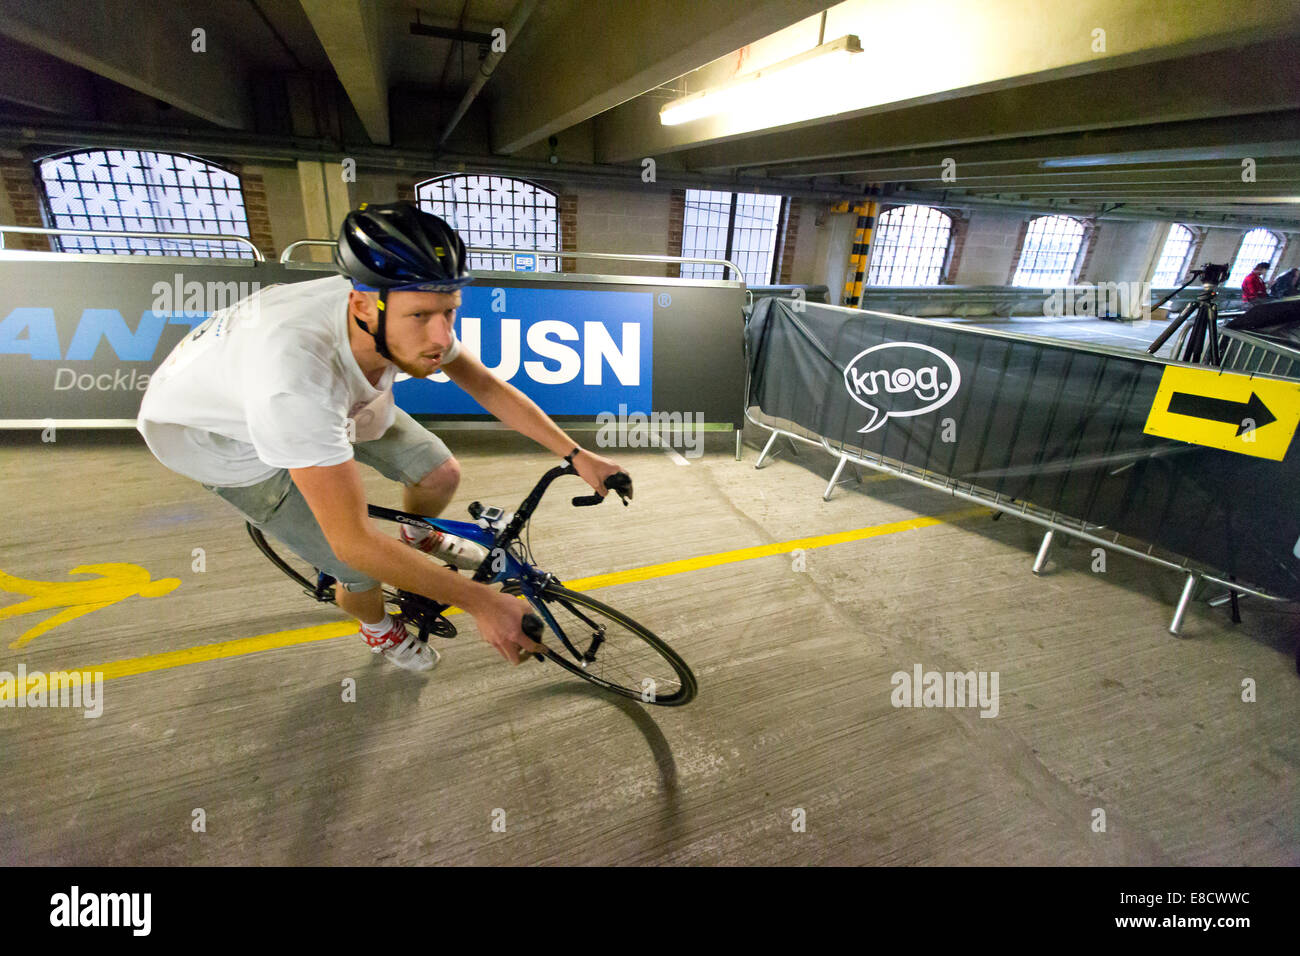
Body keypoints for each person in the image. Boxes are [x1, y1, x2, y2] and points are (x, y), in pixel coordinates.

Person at [137, 201, 629, 672]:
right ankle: (375, 627)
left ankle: (416, 535)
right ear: (363, 307)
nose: (440, 337)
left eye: (449, 312)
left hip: (300, 387)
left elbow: (484, 384)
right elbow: (352, 541)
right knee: (360, 566)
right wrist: (481, 602)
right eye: (421, 317)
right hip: (220, 441)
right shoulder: (294, 385)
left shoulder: (393, 295)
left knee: (440, 473)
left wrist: (577, 453)